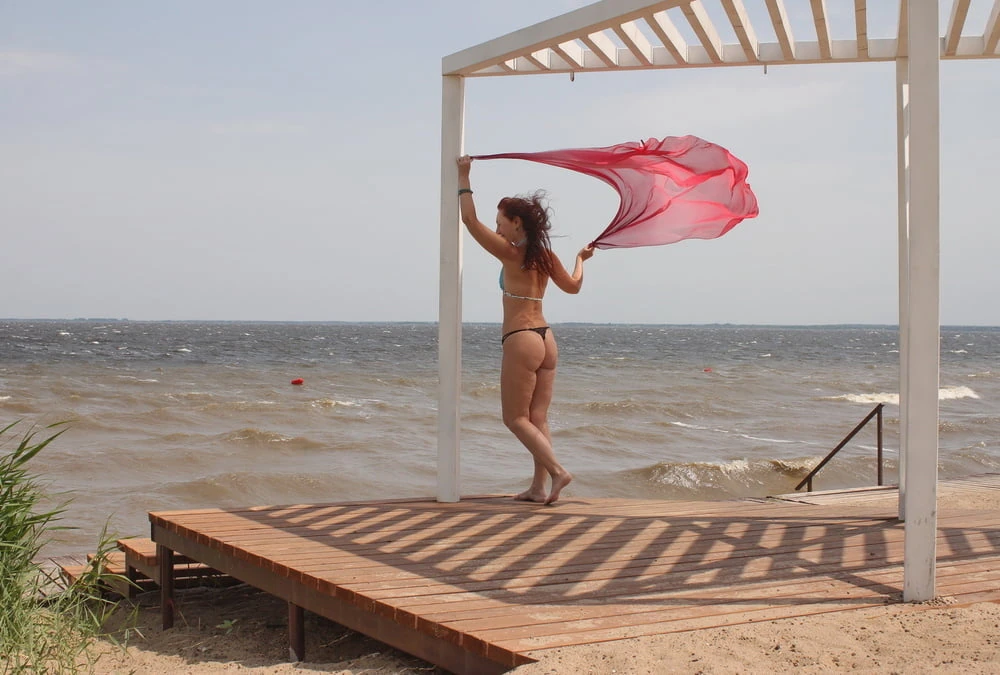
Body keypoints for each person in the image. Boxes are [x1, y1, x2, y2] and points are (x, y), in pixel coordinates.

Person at [456, 155, 594, 505]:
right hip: (547, 340)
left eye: (501, 222)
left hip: (521, 339)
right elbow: (574, 287)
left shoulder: (511, 253)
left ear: (517, 223)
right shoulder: (545, 256)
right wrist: (581, 259)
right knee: (537, 418)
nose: (497, 228)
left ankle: (558, 471)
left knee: (515, 418)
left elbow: (469, 221)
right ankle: (538, 488)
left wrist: (464, 175)